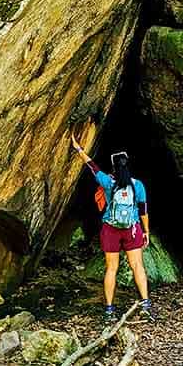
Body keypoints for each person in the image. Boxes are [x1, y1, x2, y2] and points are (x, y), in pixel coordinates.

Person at [71, 131, 153, 323]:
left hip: (111, 229)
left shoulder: (108, 182)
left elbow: (91, 166)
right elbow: (143, 211)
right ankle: (146, 305)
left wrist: (79, 148)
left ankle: (109, 310)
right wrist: (146, 231)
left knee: (111, 269)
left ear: (114, 167)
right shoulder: (137, 185)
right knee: (137, 266)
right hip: (132, 229)